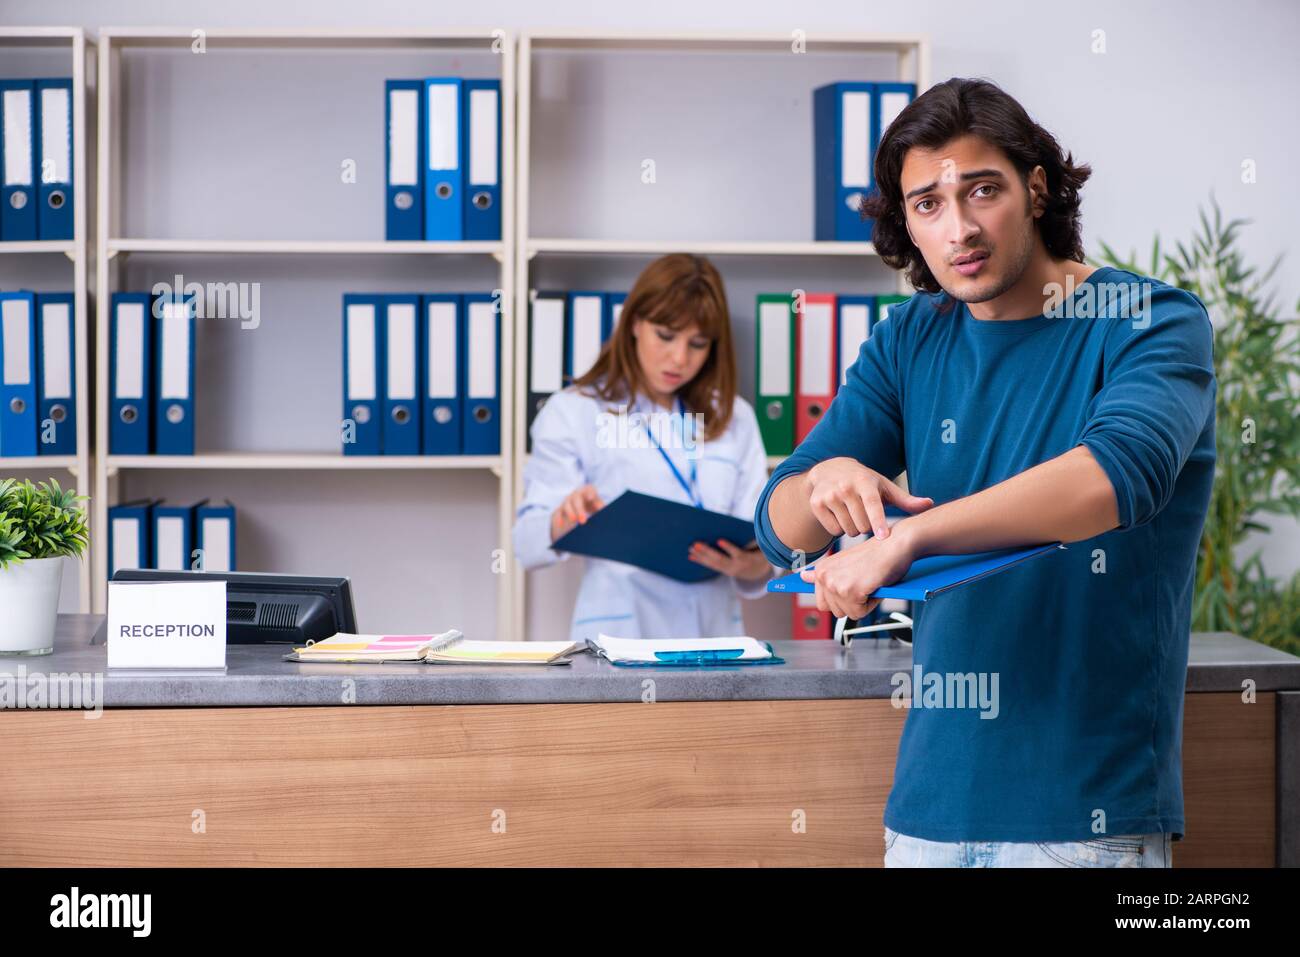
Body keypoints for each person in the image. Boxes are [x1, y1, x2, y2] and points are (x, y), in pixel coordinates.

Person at [754, 78, 1215, 868]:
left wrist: (908, 538)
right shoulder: (910, 339)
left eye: (982, 190)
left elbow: (1114, 476)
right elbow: (777, 526)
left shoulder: (1150, 320)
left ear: (1036, 188)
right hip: (928, 811)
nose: (959, 227)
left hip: (1083, 816)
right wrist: (825, 478)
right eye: (927, 204)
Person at [514, 253, 774, 643]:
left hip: (714, 638)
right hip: (619, 634)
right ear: (634, 323)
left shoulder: (734, 416)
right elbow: (526, 543)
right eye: (666, 336)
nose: (679, 358)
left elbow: (765, 548)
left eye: (698, 343)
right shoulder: (575, 410)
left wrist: (750, 565)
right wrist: (564, 520)